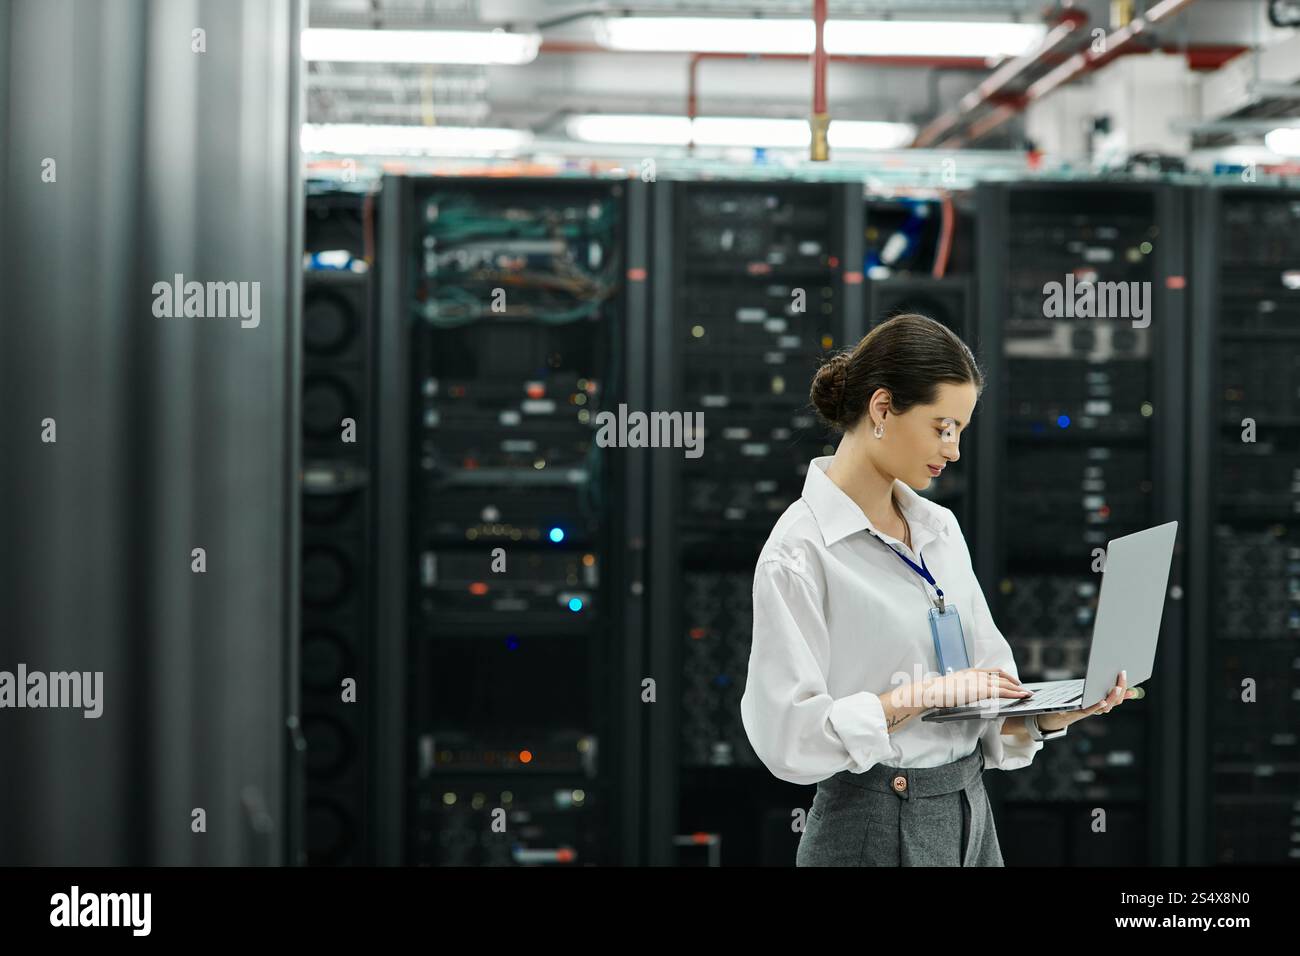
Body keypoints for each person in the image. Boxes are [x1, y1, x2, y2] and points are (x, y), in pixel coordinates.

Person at [739, 313, 1134, 866]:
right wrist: (922, 695)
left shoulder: (940, 530)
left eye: (959, 432)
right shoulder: (799, 552)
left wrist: (1052, 713)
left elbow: (986, 691)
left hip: (968, 810)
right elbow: (788, 739)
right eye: (942, 427)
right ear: (882, 409)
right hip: (873, 822)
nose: (952, 451)